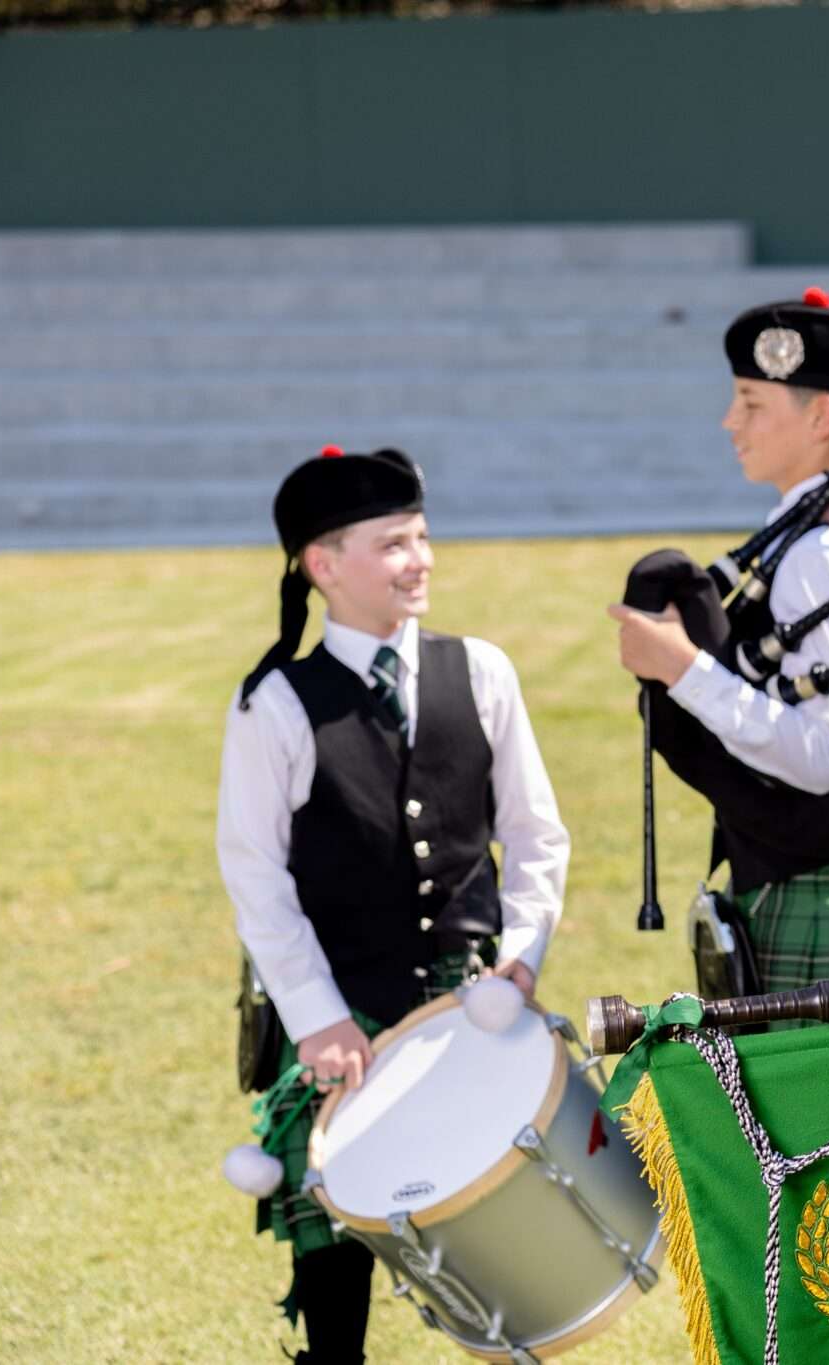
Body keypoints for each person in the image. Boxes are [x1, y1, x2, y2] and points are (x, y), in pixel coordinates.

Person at [217, 445, 570, 1363]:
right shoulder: (275, 706)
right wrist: (318, 1019)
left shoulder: (482, 671)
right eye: (393, 544)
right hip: (345, 1002)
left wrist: (521, 956)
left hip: (471, 999)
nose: (420, 560)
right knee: (334, 1226)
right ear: (323, 564)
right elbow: (255, 876)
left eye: (421, 537)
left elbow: (536, 835)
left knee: (508, 1217)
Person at [609, 288, 829, 999]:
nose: (731, 421)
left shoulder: (818, 554)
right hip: (812, 887)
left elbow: (820, 757)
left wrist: (684, 669)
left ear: (822, 416)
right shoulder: (804, 535)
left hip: (827, 901)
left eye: (752, 403)